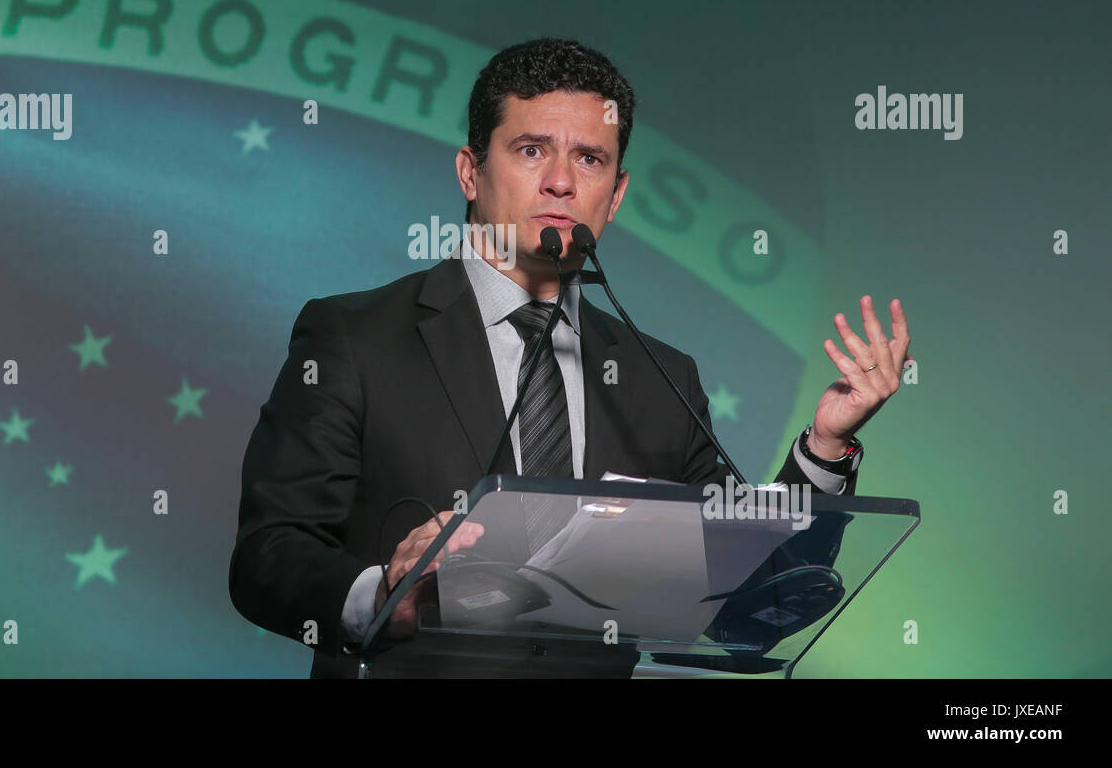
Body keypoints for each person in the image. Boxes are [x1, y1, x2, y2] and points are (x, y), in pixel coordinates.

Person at [228, 37, 912, 678]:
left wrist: (825, 447)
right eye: (530, 150)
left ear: (614, 195)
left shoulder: (660, 379)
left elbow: (749, 601)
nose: (560, 181)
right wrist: (383, 594)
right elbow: (267, 559)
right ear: (471, 172)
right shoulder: (354, 338)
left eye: (589, 159)